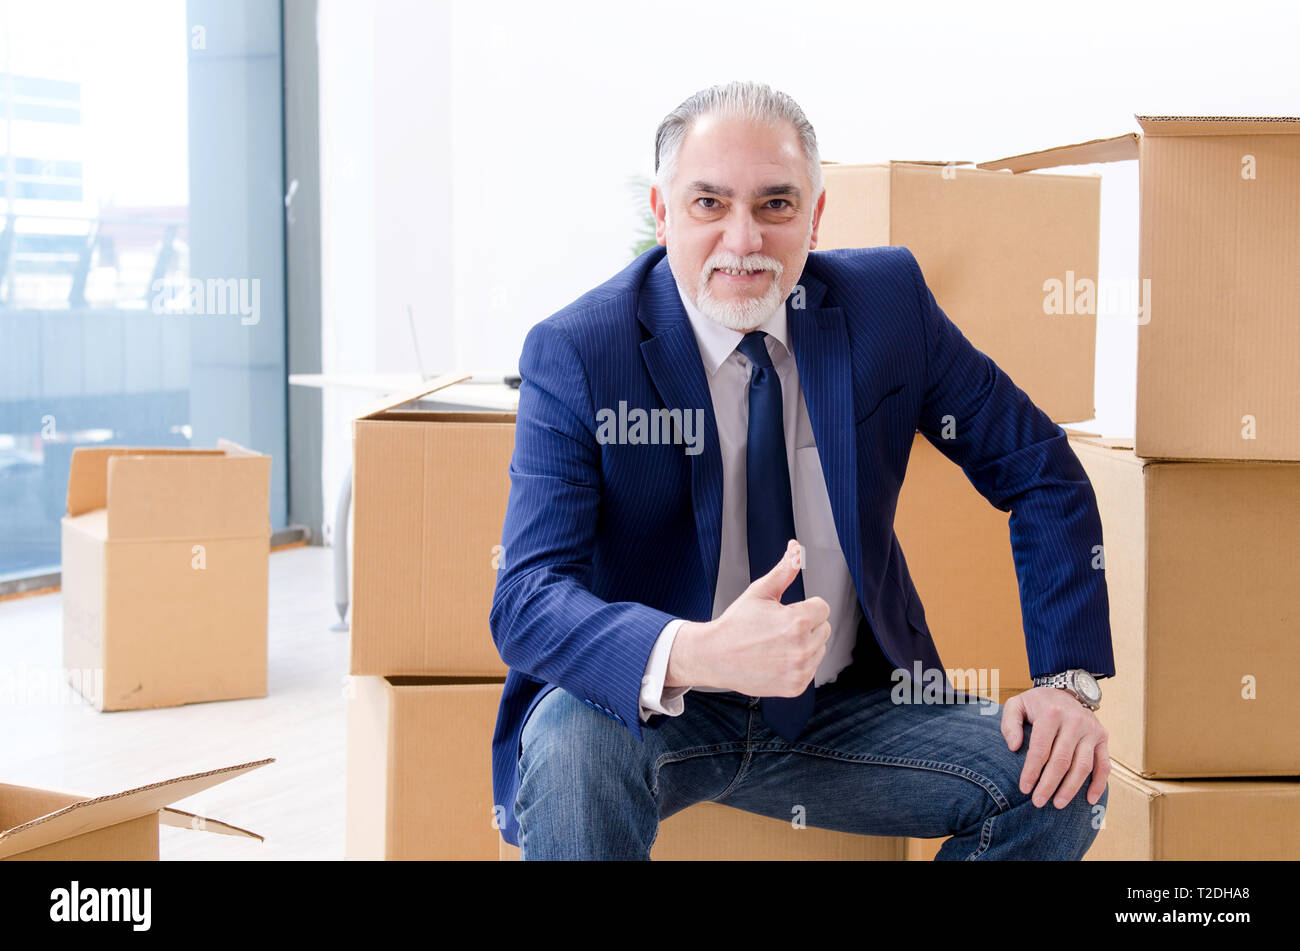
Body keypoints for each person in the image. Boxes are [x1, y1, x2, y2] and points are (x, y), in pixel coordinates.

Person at [488, 80, 1115, 860]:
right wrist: (697, 650)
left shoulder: (887, 306)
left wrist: (1066, 680)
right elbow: (525, 597)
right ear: (663, 212)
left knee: (1061, 783)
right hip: (655, 715)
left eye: (775, 205)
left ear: (815, 216)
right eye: (708, 204)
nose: (743, 240)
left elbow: (1041, 470)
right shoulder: (581, 350)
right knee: (567, 743)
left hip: (847, 709)